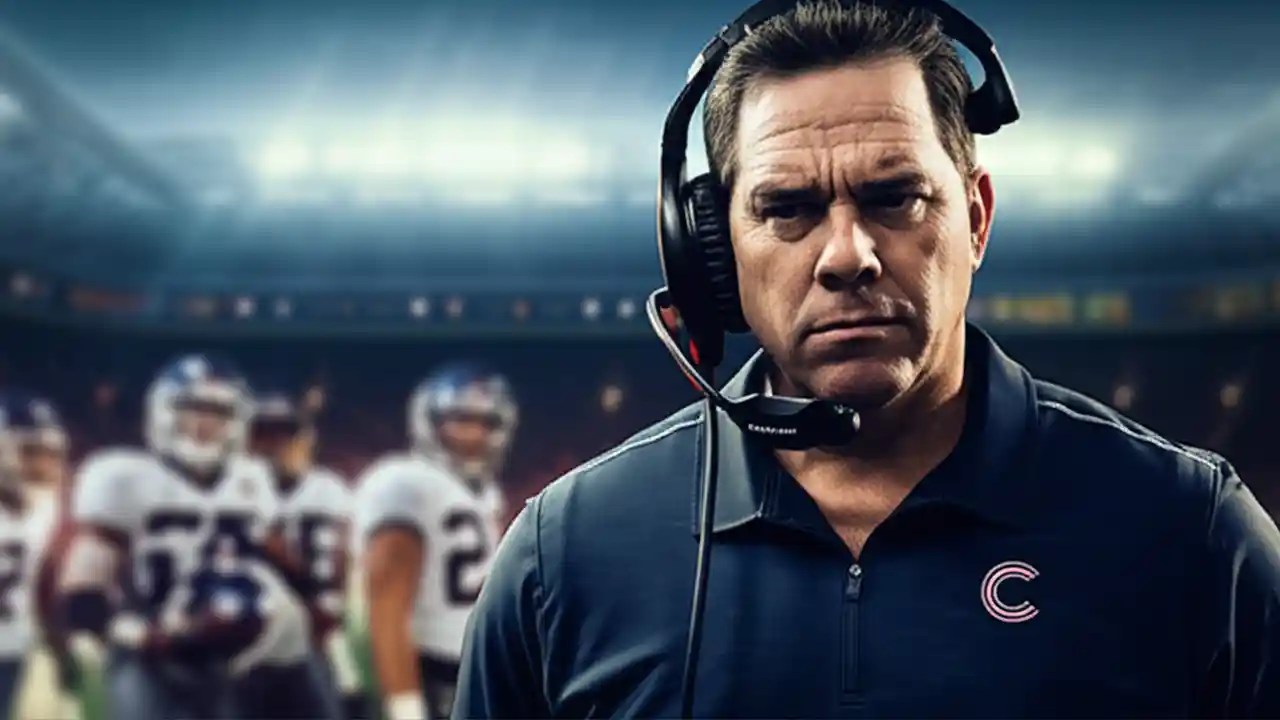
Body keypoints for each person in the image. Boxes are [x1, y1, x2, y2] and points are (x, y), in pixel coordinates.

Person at [454, 1, 1280, 717]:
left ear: (977, 218)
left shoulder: (1191, 533)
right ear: (712, 250)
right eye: (787, 208)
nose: (847, 254)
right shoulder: (562, 558)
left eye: (895, 197)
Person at [57, 354, 312, 720]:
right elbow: (84, 594)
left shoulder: (252, 480)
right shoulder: (123, 476)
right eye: (194, 408)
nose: (206, 422)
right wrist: (146, 636)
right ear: (162, 412)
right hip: (146, 650)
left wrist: (263, 609)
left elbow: (288, 571)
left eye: (220, 412)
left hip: (227, 655)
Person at [355, 363, 516, 720]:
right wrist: (405, 706)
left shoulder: (482, 493)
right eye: (459, 421)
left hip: (468, 669)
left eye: (485, 423)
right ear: (429, 422)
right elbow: (387, 602)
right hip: (427, 669)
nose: (473, 435)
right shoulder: (406, 481)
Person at [245, 386, 359, 719]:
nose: (273, 446)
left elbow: (338, 562)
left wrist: (326, 605)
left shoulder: (327, 489)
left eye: (283, 435)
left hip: (313, 624)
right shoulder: (239, 489)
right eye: (263, 435)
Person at [0, 390, 70, 718]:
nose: (42, 466)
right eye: (30, 453)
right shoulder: (53, 511)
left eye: (49, 454)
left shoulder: (52, 509)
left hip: (20, 647)